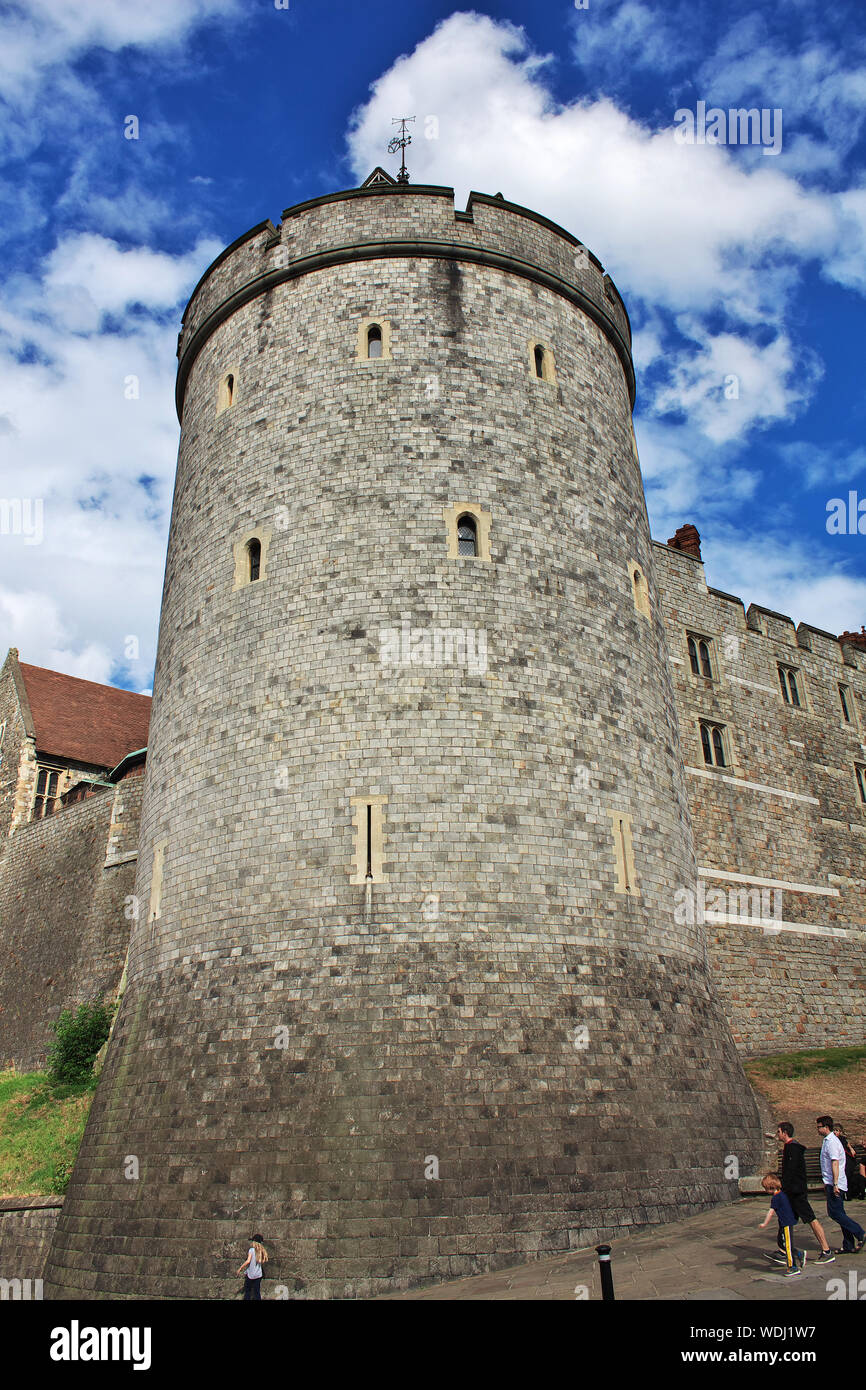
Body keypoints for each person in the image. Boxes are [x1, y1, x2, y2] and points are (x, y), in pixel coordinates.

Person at [775, 1122, 835, 1263]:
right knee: (785, 1220)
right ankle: (785, 1251)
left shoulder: (793, 1148)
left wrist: (782, 1187)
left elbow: (791, 1172)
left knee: (811, 1219)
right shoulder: (790, 1147)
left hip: (796, 1193)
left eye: (778, 1132)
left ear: (785, 1132)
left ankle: (826, 1251)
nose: (777, 1134)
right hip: (793, 1192)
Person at [817, 1116, 865, 1254]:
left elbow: (835, 1162)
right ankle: (848, 1243)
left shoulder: (832, 1142)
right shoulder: (828, 1141)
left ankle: (860, 1233)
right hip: (832, 1182)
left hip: (835, 1182)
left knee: (835, 1213)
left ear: (826, 1127)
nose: (818, 1129)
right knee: (840, 1212)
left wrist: (835, 1183)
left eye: (819, 1127)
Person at [759, 1173, 805, 1274]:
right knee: (785, 1243)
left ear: (770, 1188)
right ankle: (799, 1254)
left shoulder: (776, 1198)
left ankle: (793, 1267)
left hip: (786, 1223)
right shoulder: (782, 1193)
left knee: (787, 1245)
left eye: (766, 1188)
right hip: (786, 1221)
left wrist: (764, 1223)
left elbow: (770, 1212)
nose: (765, 1191)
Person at [236, 1233, 268, 1299]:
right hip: (258, 1275)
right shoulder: (261, 1251)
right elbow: (263, 1260)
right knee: (257, 1292)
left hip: (251, 1274)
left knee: (248, 1291)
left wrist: (240, 1268)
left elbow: (248, 1261)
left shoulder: (251, 1250)